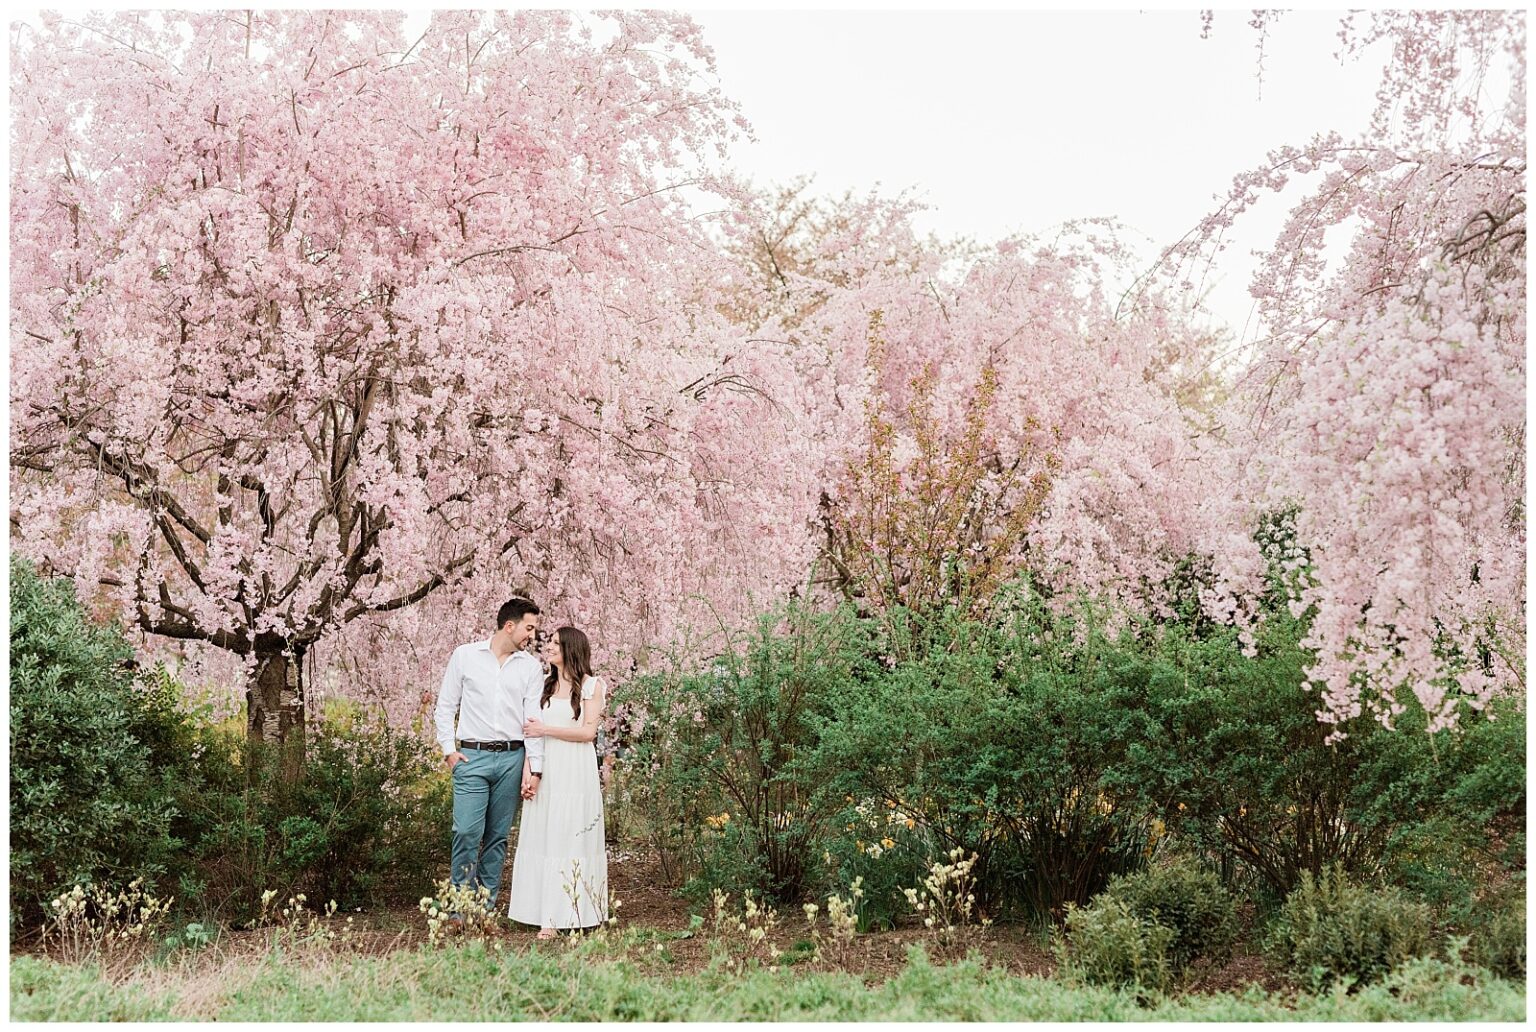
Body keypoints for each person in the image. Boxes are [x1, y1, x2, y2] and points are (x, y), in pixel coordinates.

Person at [435, 597, 544, 911]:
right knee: (466, 832)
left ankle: (484, 909)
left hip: (512, 759)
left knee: (497, 838)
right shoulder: (465, 656)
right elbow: (444, 708)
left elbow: (532, 721)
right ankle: (458, 909)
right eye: (529, 628)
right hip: (472, 757)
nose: (532, 636)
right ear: (509, 626)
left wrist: (534, 768)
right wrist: (449, 752)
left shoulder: (530, 668)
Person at [506, 625, 608, 938]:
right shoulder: (544, 687)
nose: (548, 647)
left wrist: (546, 731)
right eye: (549, 642)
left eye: (555, 643)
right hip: (547, 769)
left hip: (575, 771)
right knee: (544, 838)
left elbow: (588, 733)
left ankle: (576, 912)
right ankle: (543, 914)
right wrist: (530, 771)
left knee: (570, 837)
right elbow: (530, 735)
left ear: (571, 650)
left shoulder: (592, 686)